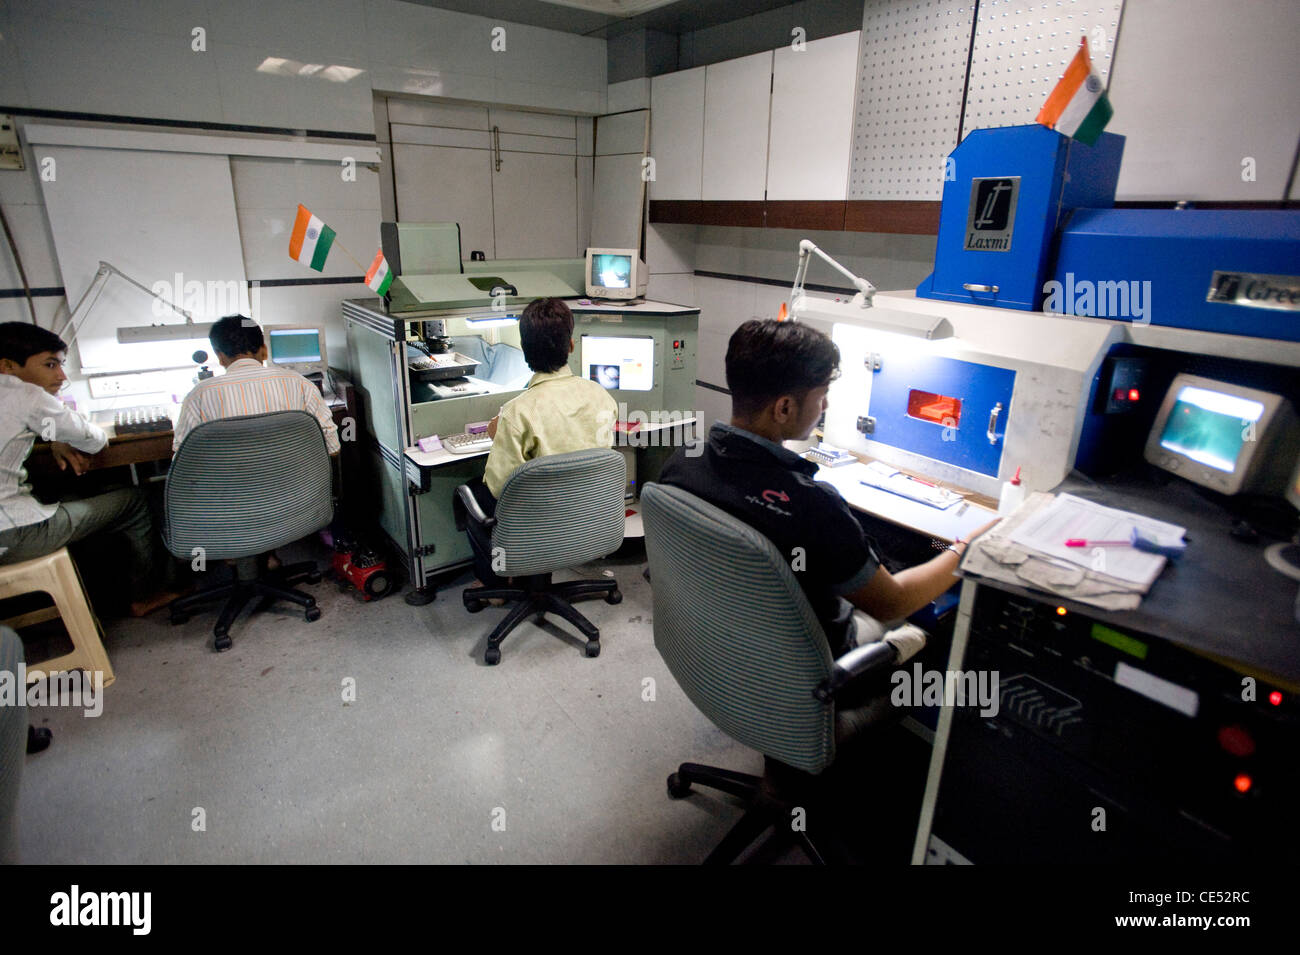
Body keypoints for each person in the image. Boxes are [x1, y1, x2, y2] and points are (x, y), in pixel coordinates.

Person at [658, 319, 999, 659]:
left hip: (719, 634)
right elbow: (892, 602)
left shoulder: (683, 462)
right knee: (928, 607)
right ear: (785, 408)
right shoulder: (814, 507)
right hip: (808, 660)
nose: (826, 408)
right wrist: (964, 550)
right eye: (822, 397)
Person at [0, 323, 179, 616]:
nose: (61, 376)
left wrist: (54, 433)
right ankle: (145, 595)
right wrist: (59, 431)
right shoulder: (27, 396)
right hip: (12, 535)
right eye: (50, 365)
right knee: (134, 500)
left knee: (86, 491)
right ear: (7, 366)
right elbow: (94, 441)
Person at [464, 297, 618, 586]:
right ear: (570, 345)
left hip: (539, 525)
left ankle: (494, 584)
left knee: (470, 493)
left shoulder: (517, 412)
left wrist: (501, 434)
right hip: (586, 518)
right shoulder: (602, 397)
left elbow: (499, 488)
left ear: (524, 351)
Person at [172, 315, 340, 454]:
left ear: (219, 356)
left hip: (230, 493)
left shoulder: (199, 396)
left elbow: (183, 458)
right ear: (264, 350)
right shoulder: (302, 385)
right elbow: (333, 447)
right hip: (300, 492)